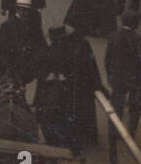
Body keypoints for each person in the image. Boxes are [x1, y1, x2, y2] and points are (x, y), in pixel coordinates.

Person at [35, 24, 102, 153]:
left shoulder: (48, 51)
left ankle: (55, 142)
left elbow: (39, 69)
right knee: (66, 117)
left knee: (51, 116)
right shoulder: (70, 50)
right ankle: (67, 144)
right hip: (65, 90)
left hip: (51, 90)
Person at [104, 11, 141, 137]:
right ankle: (130, 132)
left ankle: (114, 131)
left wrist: (110, 75)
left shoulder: (113, 36)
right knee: (135, 107)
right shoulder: (138, 39)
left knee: (116, 106)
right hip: (134, 78)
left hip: (118, 77)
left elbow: (107, 59)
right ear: (135, 24)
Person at [0, 0, 47, 86]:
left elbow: (39, 41)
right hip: (8, 67)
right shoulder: (8, 25)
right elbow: (1, 45)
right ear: (17, 9)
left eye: (27, 10)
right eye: (23, 10)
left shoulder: (31, 24)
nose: (26, 13)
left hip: (22, 67)